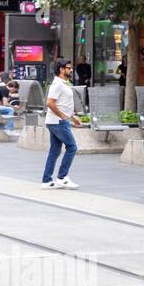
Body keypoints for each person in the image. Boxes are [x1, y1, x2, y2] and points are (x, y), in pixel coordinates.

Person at [42, 59, 81, 190]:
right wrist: (63, 116)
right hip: (58, 122)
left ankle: (47, 181)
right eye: (68, 68)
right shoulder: (58, 84)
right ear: (61, 70)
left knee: (55, 151)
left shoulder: (63, 83)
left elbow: (62, 104)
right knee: (72, 147)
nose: (70, 70)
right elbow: (50, 102)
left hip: (56, 121)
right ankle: (62, 178)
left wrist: (72, 117)